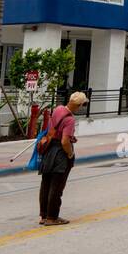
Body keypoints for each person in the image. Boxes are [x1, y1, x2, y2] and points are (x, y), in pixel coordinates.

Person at [38, 91, 87, 226]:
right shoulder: (70, 119)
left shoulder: (58, 109)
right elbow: (65, 141)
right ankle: (52, 217)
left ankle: (43, 215)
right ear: (79, 105)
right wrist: (70, 154)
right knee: (57, 186)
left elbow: (54, 130)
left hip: (48, 149)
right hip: (60, 153)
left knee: (46, 184)